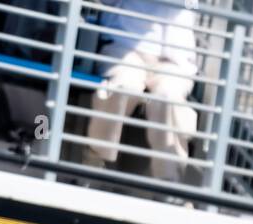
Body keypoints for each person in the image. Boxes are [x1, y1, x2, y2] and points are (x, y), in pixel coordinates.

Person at [85, 0, 199, 185]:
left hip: (175, 60)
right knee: (123, 86)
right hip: (125, 46)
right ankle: (94, 161)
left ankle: (170, 185)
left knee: (168, 97)